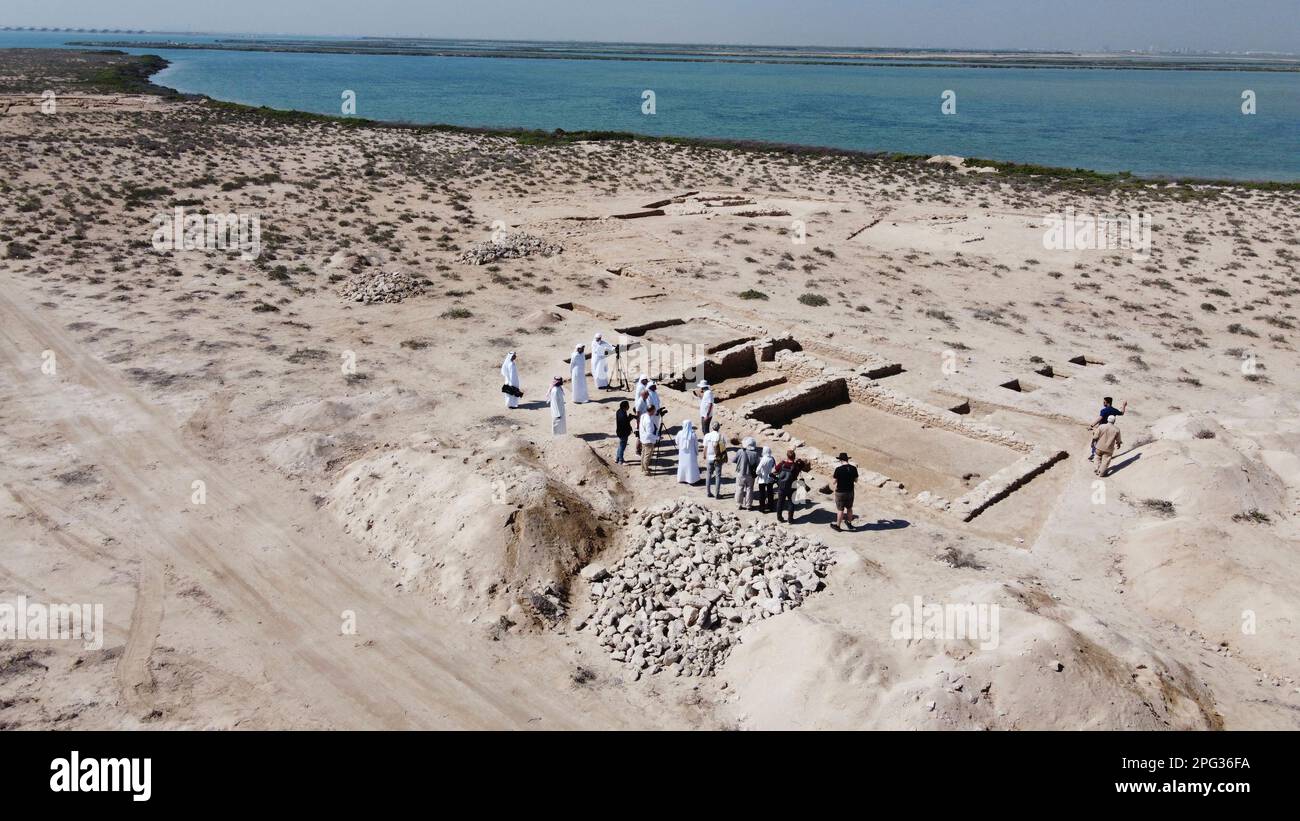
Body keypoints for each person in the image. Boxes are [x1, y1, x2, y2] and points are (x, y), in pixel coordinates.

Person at [1089, 396, 1127, 461]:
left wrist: (1091, 425)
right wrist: (1124, 405)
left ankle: (1094, 455)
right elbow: (1122, 413)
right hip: (1110, 428)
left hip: (1102, 428)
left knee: (1095, 440)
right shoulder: (1114, 410)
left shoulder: (1104, 410)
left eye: (1104, 402)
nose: (1103, 403)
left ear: (1107, 402)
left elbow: (1100, 418)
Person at [774, 449, 804, 523]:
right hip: (792, 487)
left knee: (780, 502)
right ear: (794, 457)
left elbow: (776, 469)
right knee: (791, 503)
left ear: (787, 456)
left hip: (782, 486)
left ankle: (779, 518)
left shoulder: (782, 464)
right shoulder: (796, 466)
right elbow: (802, 466)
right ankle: (790, 519)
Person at [831, 452, 859, 531]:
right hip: (850, 491)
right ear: (847, 459)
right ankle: (849, 523)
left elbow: (834, 482)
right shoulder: (853, 468)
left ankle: (838, 526)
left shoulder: (838, 469)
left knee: (840, 510)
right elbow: (856, 480)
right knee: (849, 508)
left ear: (840, 460)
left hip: (840, 492)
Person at [733, 437, 760, 510]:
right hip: (751, 474)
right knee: (749, 489)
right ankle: (748, 505)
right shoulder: (755, 454)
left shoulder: (740, 451)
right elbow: (758, 464)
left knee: (739, 488)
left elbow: (734, 460)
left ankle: (739, 504)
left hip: (741, 473)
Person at [702, 421, 726, 498]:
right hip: (717, 458)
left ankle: (708, 492)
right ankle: (717, 494)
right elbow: (722, 448)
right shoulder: (721, 436)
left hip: (709, 457)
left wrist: (704, 455)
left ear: (712, 427)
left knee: (708, 474)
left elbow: (705, 447)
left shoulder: (707, 435)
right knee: (718, 476)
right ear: (718, 428)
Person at [675, 419, 701, 484]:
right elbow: (696, 445)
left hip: (682, 453)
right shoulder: (693, 434)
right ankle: (691, 479)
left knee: (682, 465)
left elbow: (676, 441)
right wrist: (696, 452)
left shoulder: (680, 433)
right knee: (691, 466)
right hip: (691, 454)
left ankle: (682, 478)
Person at [638, 403, 660, 475]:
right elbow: (649, 434)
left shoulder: (643, 415)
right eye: (654, 410)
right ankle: (645, 470)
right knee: (647, 455)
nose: (654, 412)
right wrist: (658, 437)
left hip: (643, 438)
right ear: (651, 411)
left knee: (643, 454)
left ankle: (643, 467)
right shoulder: (649, 422)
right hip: (648, 440)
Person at [755, 445, 776, 512]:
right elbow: (774, 468)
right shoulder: (772, 458)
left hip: (762, 479)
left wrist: (759, 474)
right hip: (770, 478)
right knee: (770, 493)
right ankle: (771, 507)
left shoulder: (763, 459)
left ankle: (762, 508)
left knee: (762, 494)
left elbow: (757, 470)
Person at [633, 383, 652, 456]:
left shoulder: (644, 400)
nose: (648, 396)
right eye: (647, 395)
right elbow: (637, 413)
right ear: (643, 395)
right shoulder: (640, 402)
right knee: (639, 437)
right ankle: (637, 451)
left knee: (642, 436)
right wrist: (638, 424)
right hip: (640, 421)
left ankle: (640, 449)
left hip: (643, 420)